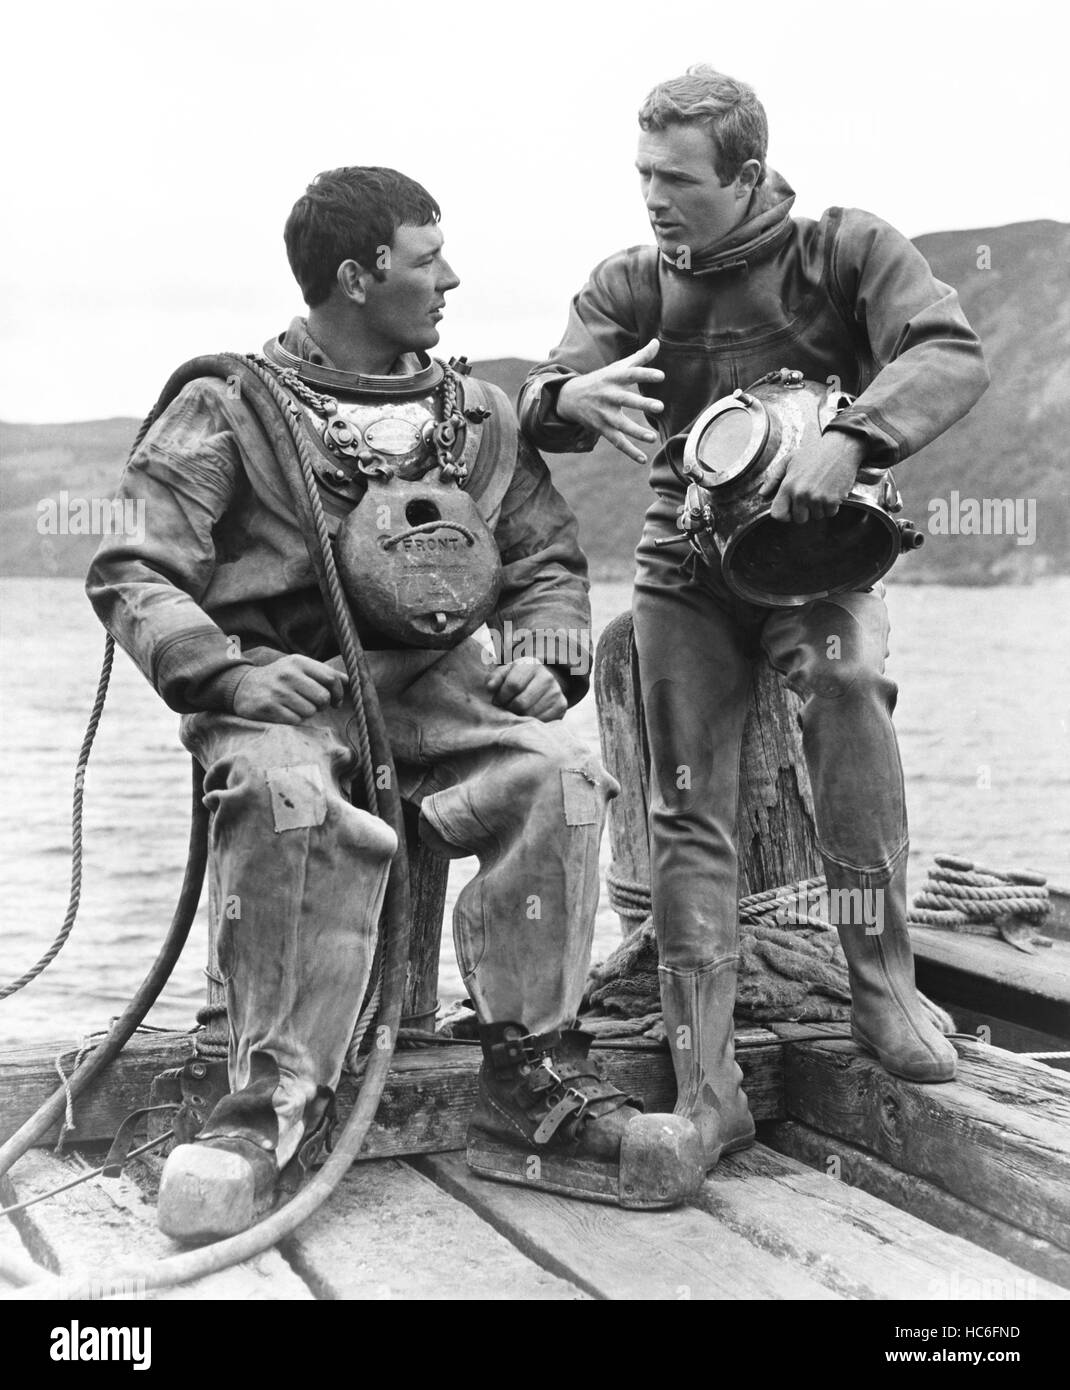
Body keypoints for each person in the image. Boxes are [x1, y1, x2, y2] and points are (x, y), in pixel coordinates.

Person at [87, 166, 700, 1242]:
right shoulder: (227, 408)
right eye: (425, 260)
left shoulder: (475, 416)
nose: (449, 278)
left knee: (557, 783)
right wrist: (230, 676)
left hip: (441, 698)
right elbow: (133, 572)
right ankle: (266, 1107)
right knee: (285, 796)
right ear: (356, 276)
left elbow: (545, 560)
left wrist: (548, 660)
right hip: (288, 698)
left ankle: (533, 1078)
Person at [519, 67, 990, 1171]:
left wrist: (857, 435)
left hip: (821, 562)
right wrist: (560, 401)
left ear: (743, 173)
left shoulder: (841, 252)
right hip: (685, 566)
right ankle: (706, 1083)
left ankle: (879, 985)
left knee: (846, 687)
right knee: (686, 802)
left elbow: (948, 348)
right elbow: (551, 386)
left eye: (674, 178)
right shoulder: (632, 282)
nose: (651, 195)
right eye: (640, 173)